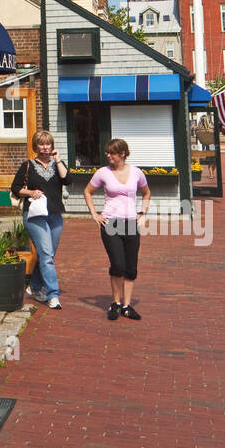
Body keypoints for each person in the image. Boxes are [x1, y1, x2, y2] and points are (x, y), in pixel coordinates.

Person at [83, 138, 150, 322]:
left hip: (131, 224)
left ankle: (126, 306)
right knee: (118, 265)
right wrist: (94, 214)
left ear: (122, 154)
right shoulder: (102, 173)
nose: (108, 155)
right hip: (110, 224)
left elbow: (146, 193)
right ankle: (115, 303)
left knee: (131, 268)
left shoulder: (136, 173)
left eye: (111, 153)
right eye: (107, 152)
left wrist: (143, 213)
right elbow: (87, 191)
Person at [10, 130, 71, 310]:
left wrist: (58, 160)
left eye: (48, 144)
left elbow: (67, 180)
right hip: (34, 215)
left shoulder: (58, 165)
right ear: (35, 146)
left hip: (55, 215)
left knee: (48, 255)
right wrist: (30, 192)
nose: (45, 147)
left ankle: (35, 286)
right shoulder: (28, 165)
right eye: (41, 144)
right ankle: (53, 295)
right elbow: (15, 188)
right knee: (46, 255)